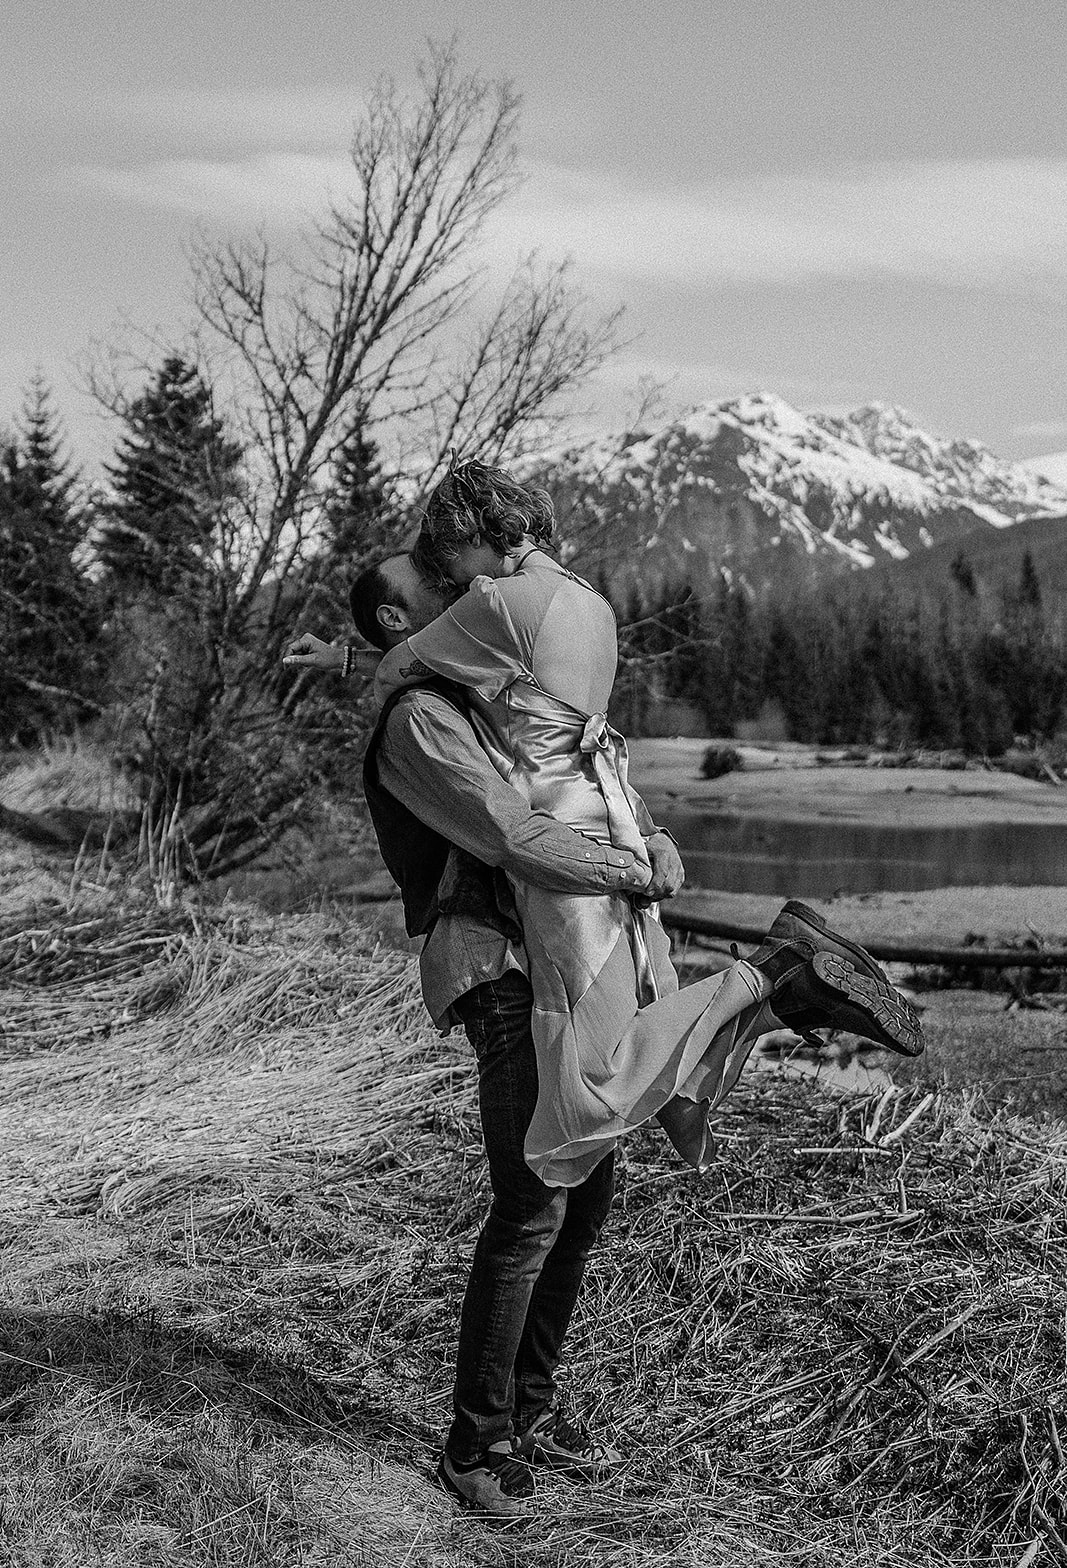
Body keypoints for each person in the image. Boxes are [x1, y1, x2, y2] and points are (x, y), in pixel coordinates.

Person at [284, 542, 923, 1518]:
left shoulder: (487, 693)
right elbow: (510, 833)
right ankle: (475, 1442)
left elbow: (579, 790)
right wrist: (633, 872)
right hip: (498, 965)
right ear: (390, 622)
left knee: (580, 1202)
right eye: (436, 591)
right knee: (531, 1203)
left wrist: (649, 840)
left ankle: (528, 1411)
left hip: (568, 958)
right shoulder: (418, 719)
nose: (467, 599)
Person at [370, 459, 923, 1188]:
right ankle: (761, 1014)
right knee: (657, 1034)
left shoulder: (497, 606)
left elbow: (402, 665)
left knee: (593, 1072)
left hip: (561, 837)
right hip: (612, 813)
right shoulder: (589, 603)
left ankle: (774, 974)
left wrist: (356, 660)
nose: (458, 585)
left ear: (477, 533)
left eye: (455, 564)